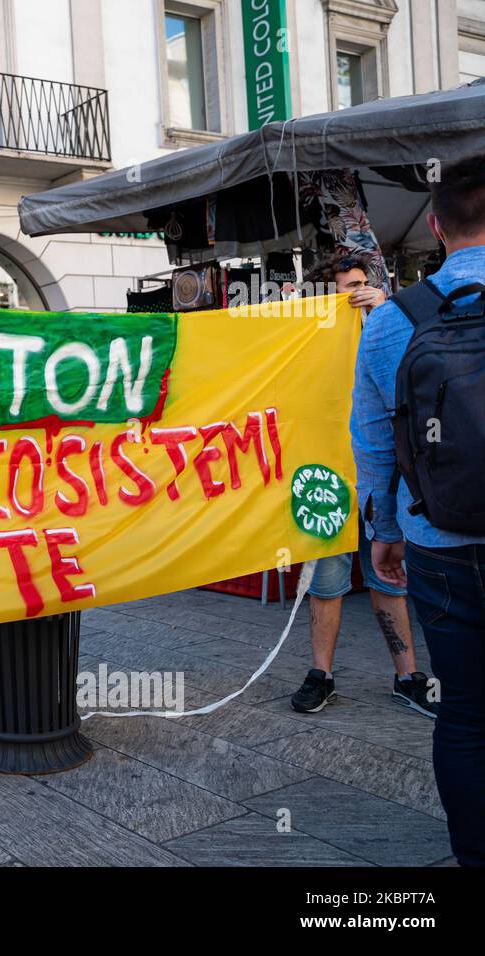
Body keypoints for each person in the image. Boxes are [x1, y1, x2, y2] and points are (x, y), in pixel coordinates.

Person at [351, 157, 485, 868]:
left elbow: (371, 439)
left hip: (438, 538)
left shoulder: (392, 320)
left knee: (464, 710)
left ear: (435, 224)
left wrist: (384, 532)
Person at [289, 250, 438, 719]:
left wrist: (384, 310)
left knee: (388, 577)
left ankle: (408, 676)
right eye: (338, 294)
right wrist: (290, 314)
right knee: (326, 581)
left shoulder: (393, 324)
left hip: (380, 475)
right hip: (325, 475)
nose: (348, 300)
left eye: (357, 289)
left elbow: (419, 371)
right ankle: (321, 675)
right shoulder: (306, 331)